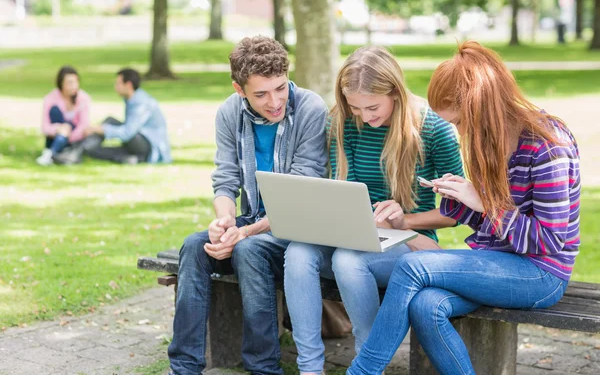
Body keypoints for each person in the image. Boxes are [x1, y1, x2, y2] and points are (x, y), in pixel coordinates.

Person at [346, 41, 581, 375]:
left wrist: (484, 204)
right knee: (427, 306)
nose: (459, 131)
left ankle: (362, 371)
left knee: (413, 266)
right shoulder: (492, 139)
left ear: (483, 105)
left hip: (542, 273)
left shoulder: (547, 146)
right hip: (499, 261)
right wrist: (459, 199)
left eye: (458, 121)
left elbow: (547, 242)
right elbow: (491, 225)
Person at [283, 45, 464, 375]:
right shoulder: (342, 121)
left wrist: (404, 224)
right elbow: (346, 195)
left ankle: (369, 363)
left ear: (395, 91)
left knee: (348, 261)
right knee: (298, 252)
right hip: (353, 235)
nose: (364, 116)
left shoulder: (434, 129)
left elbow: (456, 212)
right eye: (355, 107)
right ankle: (309, 367)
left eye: (372, 106)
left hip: (406, 244)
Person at [167, 36, 329, 375]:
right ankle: (183, 368)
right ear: (239, 89)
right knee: (196, 246)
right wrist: (225, 223)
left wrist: (245, 233)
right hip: (253, 222)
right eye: (261, 94)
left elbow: (300, 190)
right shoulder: (229, 112)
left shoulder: (311, 109)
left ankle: (264, 368)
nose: (274, 101)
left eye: (280, 88)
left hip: (298, 228)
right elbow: (225, 179)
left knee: (248, 251)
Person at [82, 68, 171, 164]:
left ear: (128, 85)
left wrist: (100, 129)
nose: (115, 87)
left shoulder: (140, 102)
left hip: (150, 147)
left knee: (110, 122)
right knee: (105, 149)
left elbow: (127, 133)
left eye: (118, 83)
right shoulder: (132, 98)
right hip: (140, 141)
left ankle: (83, 148)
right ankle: (88, 149)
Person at [36, 66, 91, 166]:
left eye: (75, 82)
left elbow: (84, 125)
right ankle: (52, 153)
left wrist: (67, 135)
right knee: (55, 111)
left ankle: (50, 154)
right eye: (70, 83)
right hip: (55, 136)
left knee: (68, 125)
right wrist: (60, 129)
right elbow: (45, 127)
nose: (74, 86)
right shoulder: (50, 98)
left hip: (74, 138)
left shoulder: (83, 98)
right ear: (61, 84)